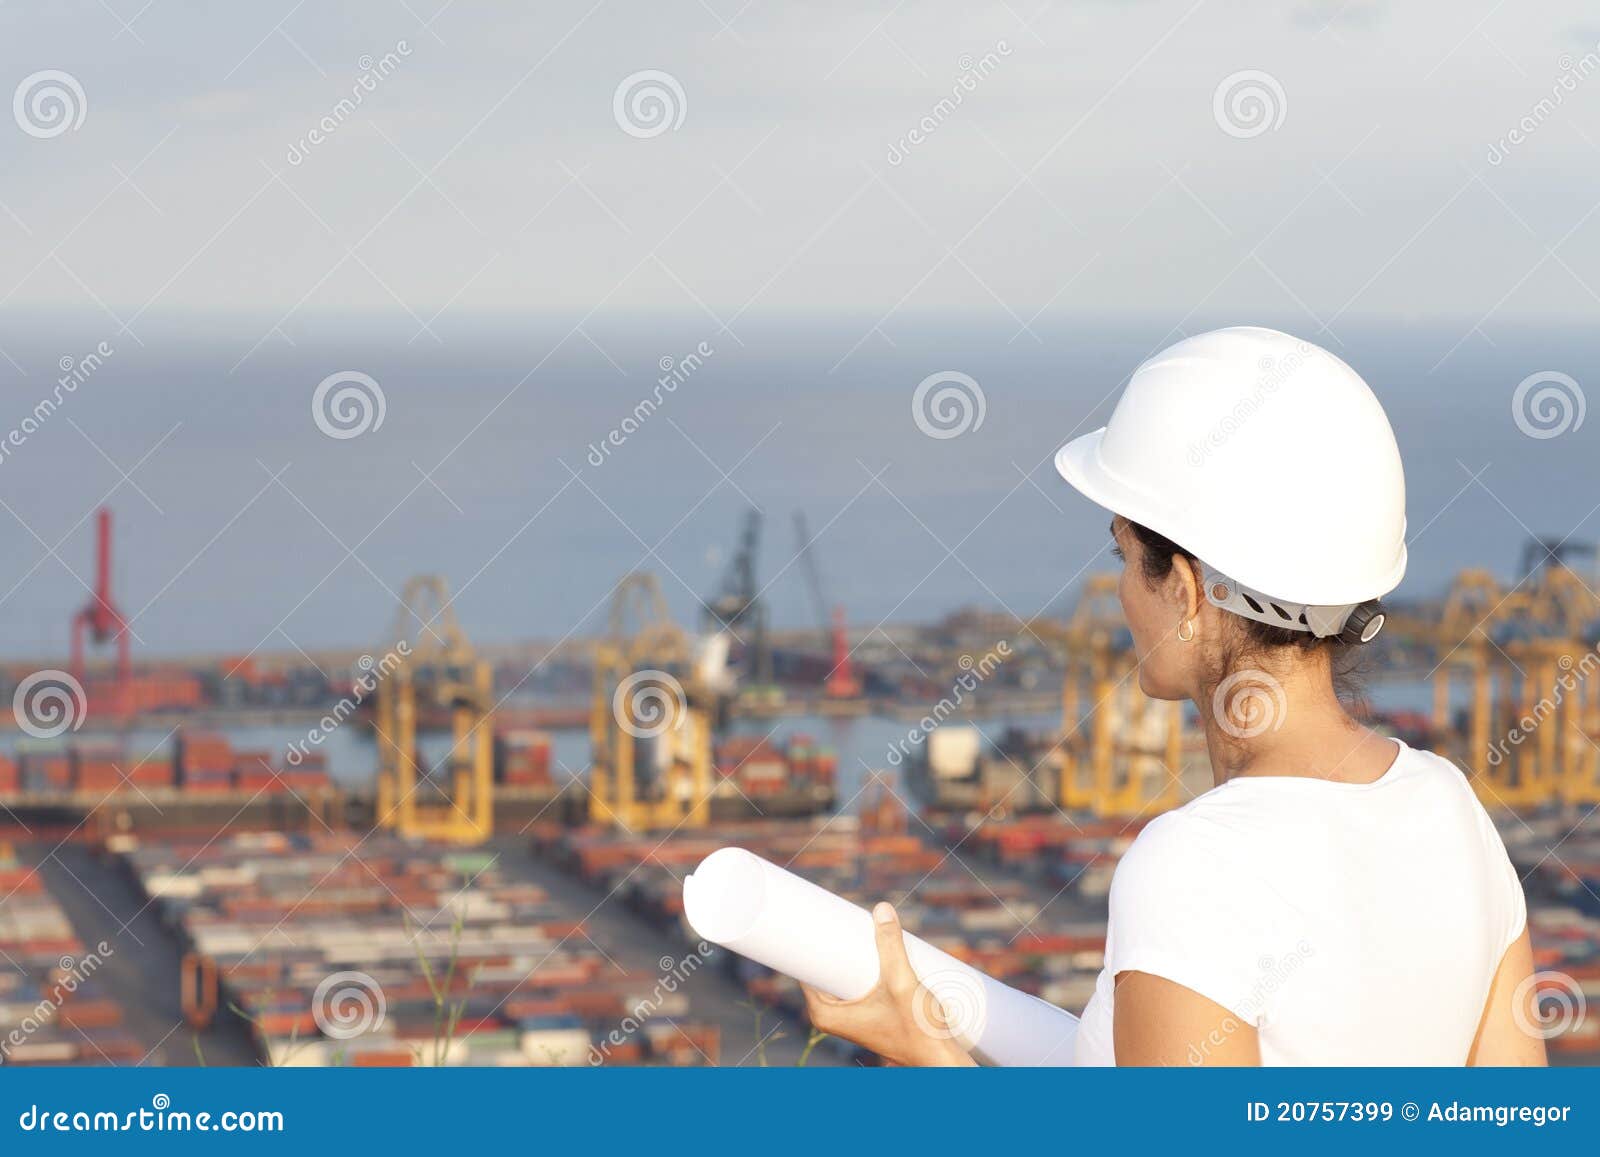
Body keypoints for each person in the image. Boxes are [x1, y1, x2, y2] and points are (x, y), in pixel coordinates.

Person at [803, 327, 1543, 1066]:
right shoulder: (1453, 811)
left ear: (1187, 592)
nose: (1119, 590)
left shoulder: (1195, 865)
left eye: (1122, 556)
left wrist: (925, 1051)